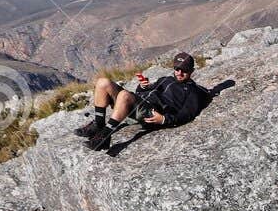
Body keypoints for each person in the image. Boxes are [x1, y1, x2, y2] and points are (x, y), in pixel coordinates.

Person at [76, 52, 213, 151]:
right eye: (177, 69)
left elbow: (187, 115)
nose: (179, 73)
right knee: (102, 82)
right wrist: (142, 86)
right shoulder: (166, 79)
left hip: (152, 113)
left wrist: (164, 119)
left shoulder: (193, 91)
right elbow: (141, 93)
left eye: (184, 70)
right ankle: (98, 126)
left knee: (124, 95)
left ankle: (104, 137)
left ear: (192, 71)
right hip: (137, 104)